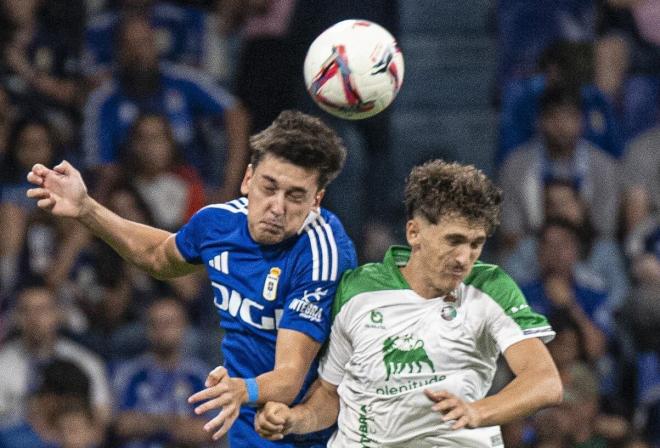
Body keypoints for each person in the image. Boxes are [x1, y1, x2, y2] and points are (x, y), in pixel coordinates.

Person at [26, 110, 358, 446]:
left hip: (314, 432)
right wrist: (86, 209)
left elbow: (289, 377)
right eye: (268, 187)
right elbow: (158, 256)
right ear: (248, 179)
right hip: (247, 424)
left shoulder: (321, 254)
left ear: (316, 201)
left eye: (295, 196)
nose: (277, 206)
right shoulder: (218, 224)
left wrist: (242, 388)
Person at [254, 160, 563, 447]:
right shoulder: (358, 289)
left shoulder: (490, 288)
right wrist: (295, 420)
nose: (464, 258)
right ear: (414, 232)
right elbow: (331, 394)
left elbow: (545, 381)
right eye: (453, 241)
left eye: (476, 244)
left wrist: (478, 412)